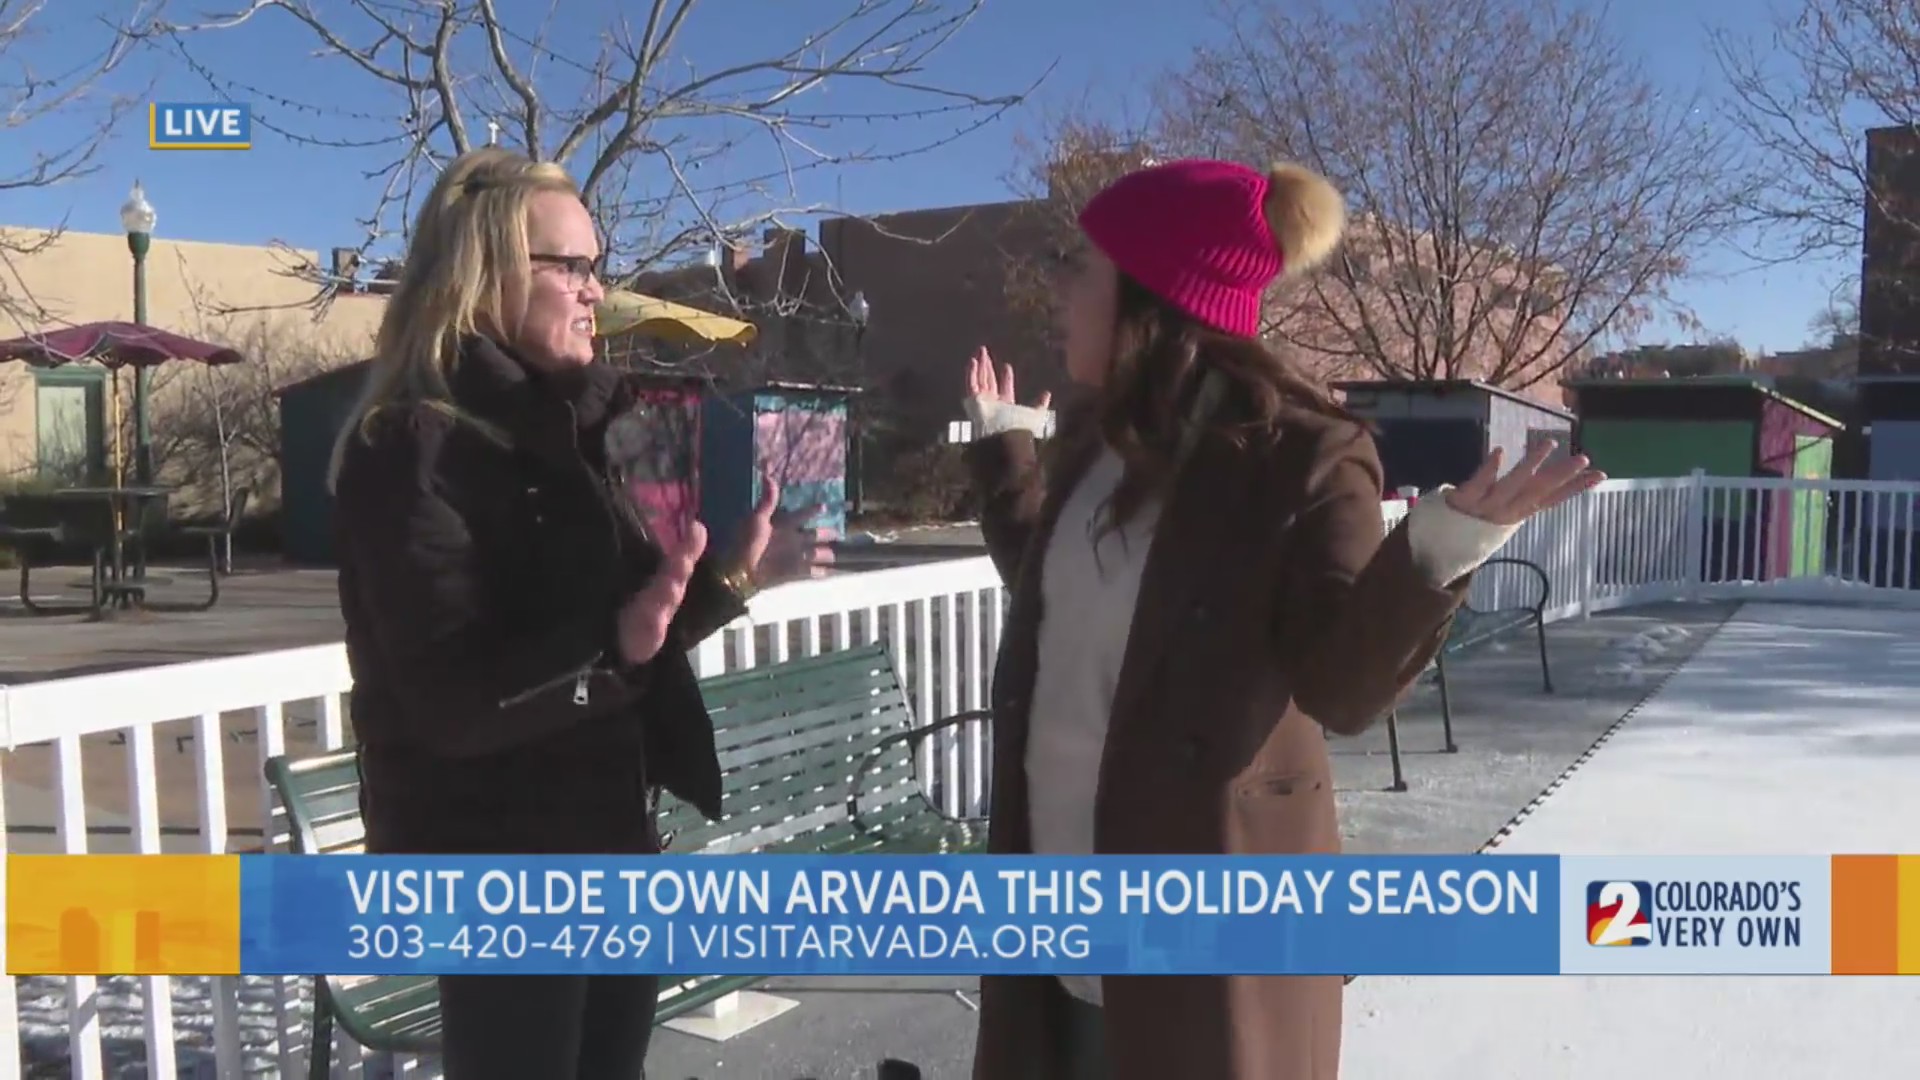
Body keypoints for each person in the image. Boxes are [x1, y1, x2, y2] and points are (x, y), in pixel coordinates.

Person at [959, 159, 1604, 1080]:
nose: (1059, 288)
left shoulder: (1300, 456)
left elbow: (1341, 688)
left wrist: (1440, 547)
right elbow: (1053, 599)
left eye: (1081, 266)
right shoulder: (1095, 449)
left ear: (1155, 296)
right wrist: (1003, 448)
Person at [327, 147, 832, 1080]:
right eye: (575, 267)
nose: (598, 291)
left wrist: (727, 583)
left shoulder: (584, 426)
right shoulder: (412, 449)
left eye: (598, 266)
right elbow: (454, 697)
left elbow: (631, 625)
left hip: (606, 825)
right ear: (485, 273)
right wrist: (621, 641)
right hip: (493, 857)